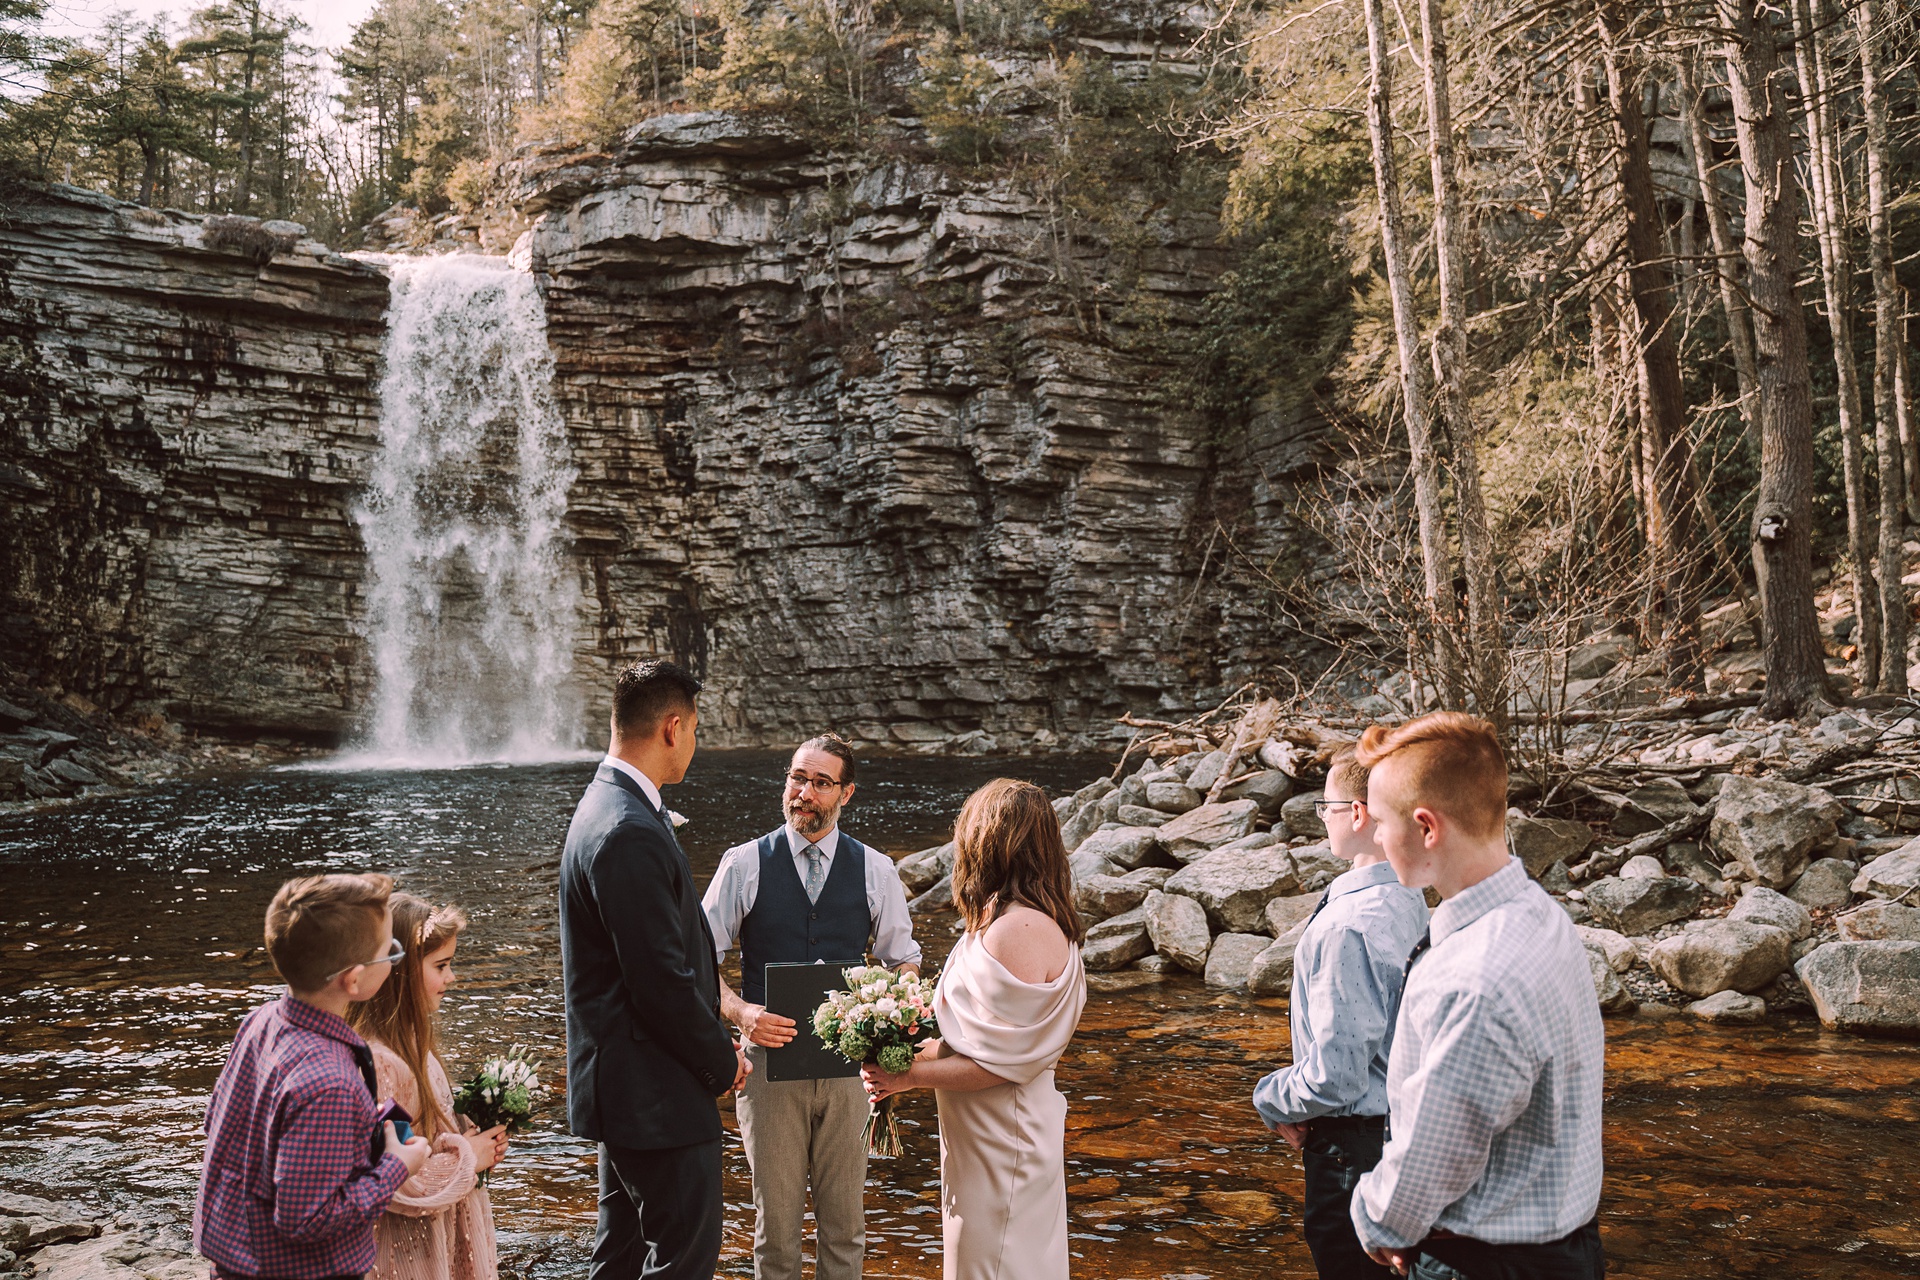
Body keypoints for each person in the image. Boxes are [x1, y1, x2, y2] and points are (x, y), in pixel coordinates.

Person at [1349, 713, 1606, 1280]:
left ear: (1426, 828)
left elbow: (1436, 1152)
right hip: (1566, 1248)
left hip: (1486, 1262)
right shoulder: (1542, 915)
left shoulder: (1474, 976)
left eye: (1382, 822)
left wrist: (1375, 1221)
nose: (1376, 837)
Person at [702, 734, 922, 1280]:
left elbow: (905, 965)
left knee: (845, 1229)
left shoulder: (876, 870)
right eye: (797, 778)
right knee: (774, 1233)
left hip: (850, 1073)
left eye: (821, 783)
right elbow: (696, 963)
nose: (803, 793)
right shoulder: (743, 864)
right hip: (767, 1070)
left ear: (846, 794)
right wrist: (741, 1013)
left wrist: (886, 1026)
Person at [559, 659, 750, 1280]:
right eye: (695, 731)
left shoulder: (606, 808)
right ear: (673, 727)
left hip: (629, 1086)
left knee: (618, 1258)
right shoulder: (627, 830)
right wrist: (722, 1062)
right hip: (654, 1092)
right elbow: (659, 980)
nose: (693, 745)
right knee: (683, 1261)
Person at [860, 778, 1087, 1280]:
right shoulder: (1007, 918)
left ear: (990, 841)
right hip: (983, 1136)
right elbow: (982, 1039)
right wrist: (901, 1050)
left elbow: (999, 1064)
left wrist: (909, 1077)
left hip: (1004, 1137)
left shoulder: (1019, 930)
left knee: (997, 1265)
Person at [195, 873, 434, 1280]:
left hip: (237, 1259)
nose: (396, 960)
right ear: (354, 979)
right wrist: (396, 1165)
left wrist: (345, 1129)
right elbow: (307, 1220)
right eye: (390, 952)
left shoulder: (260, 1021)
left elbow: (218, 1122)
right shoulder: (331, 1084)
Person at [1252, 746, 1428, 1280]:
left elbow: (1338, 1073)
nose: (1321, 818)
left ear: (1357, 812)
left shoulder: (1347, 925)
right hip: (1400, 1136)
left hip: (1353, 1154)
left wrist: (1271, 1097)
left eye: (1324, 807)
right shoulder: (1409, 898)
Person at [350, 893, 505, 1280]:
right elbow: (394, 1182)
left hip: (437, 1238)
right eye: (441, 965)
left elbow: (423, 1138)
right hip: (409, 1255)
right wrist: (467, 1157)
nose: (451, 977)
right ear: (399, 973)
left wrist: (472, 1135)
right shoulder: (382, 1064)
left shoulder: (416, 1047)